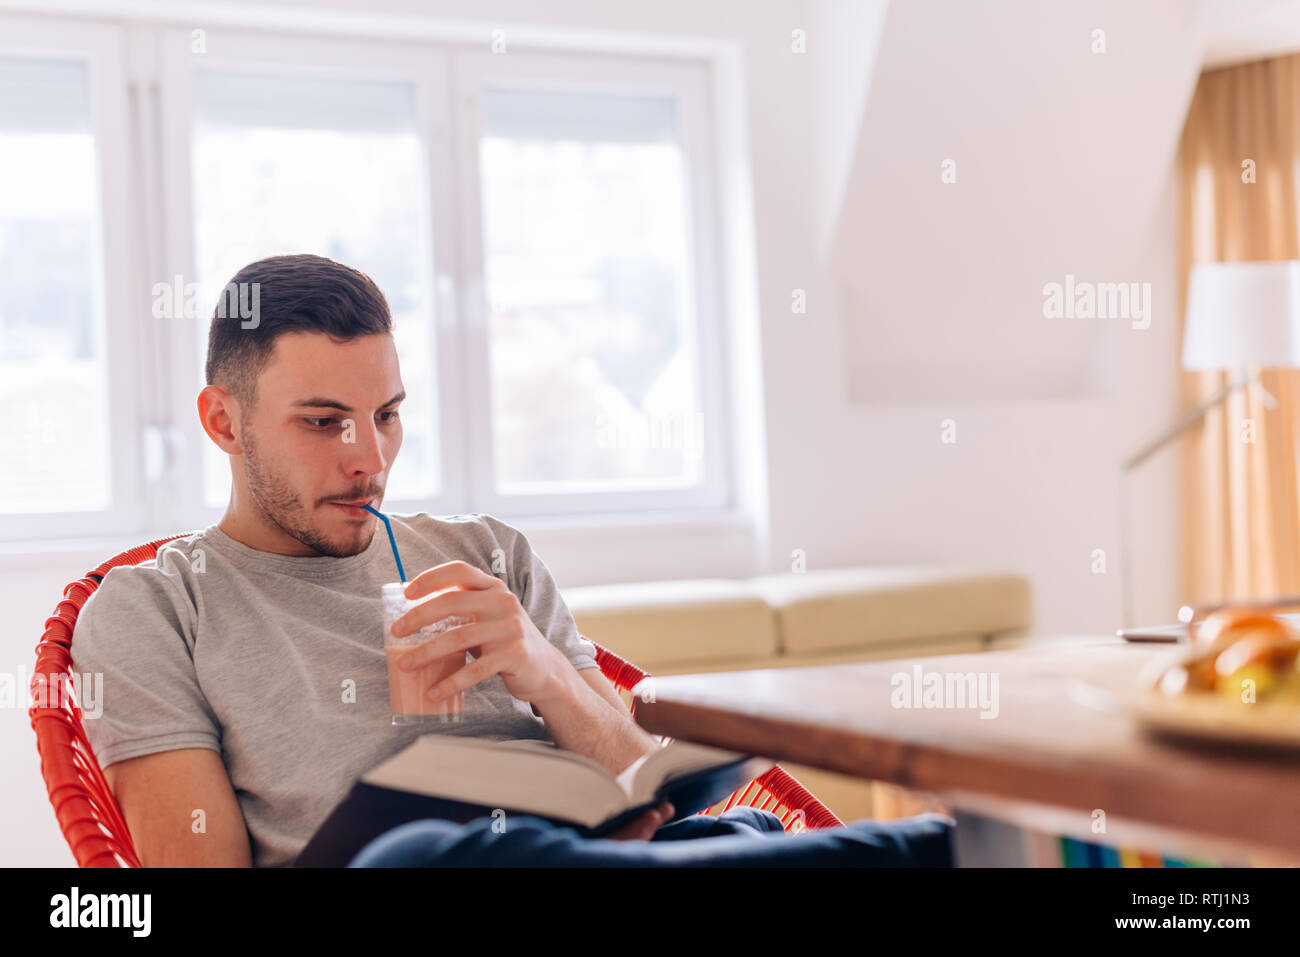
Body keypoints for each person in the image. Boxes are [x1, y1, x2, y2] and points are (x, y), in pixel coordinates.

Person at [71, 253, 956, 868]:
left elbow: (639, 778)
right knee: (426, 854)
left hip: (593, 857)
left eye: (387, 414)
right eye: (323, 420)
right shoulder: (155, 608)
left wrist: (545, 670)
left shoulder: (485, 550)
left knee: (746, 832)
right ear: (223, 421)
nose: (368, 458)